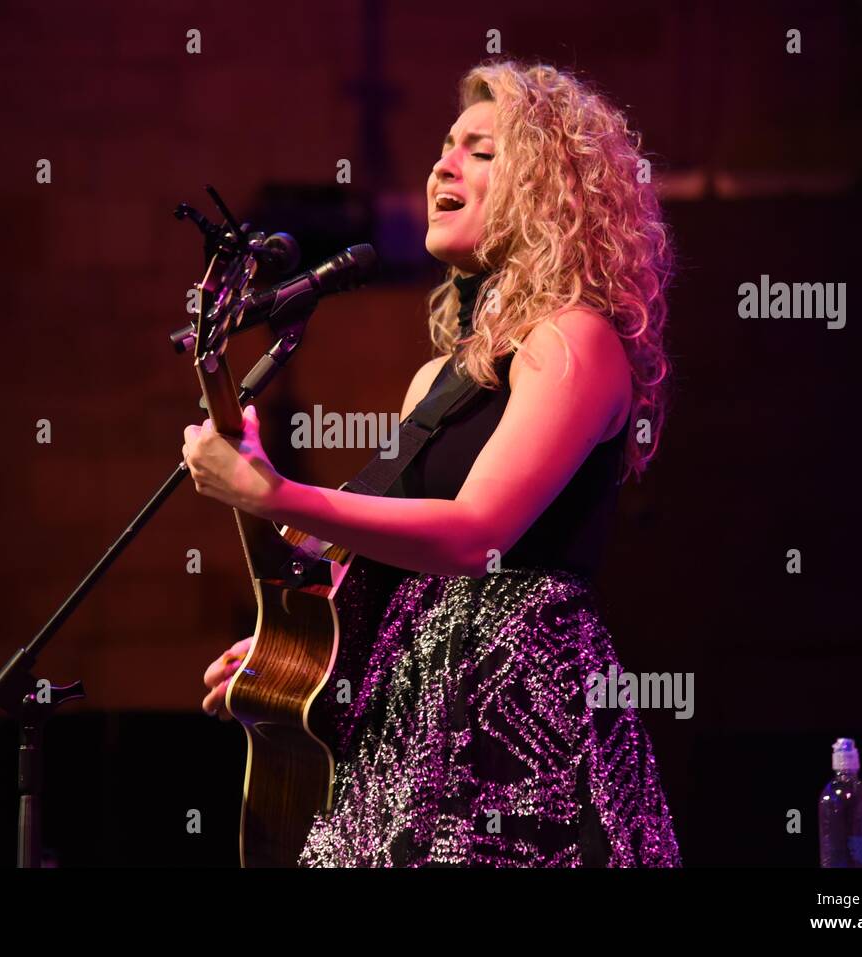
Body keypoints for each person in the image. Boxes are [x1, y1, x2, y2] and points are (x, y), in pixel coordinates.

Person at [183, 59, 680, 867]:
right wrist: (300, 658)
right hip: (410, 726)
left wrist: (276, 494)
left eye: (481, 151)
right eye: (446, 146)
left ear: (550, 188)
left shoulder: (573, 338)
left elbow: (474, 534)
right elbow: (386, 565)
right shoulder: (435, 377)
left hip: (521, 726)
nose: (442, 163)